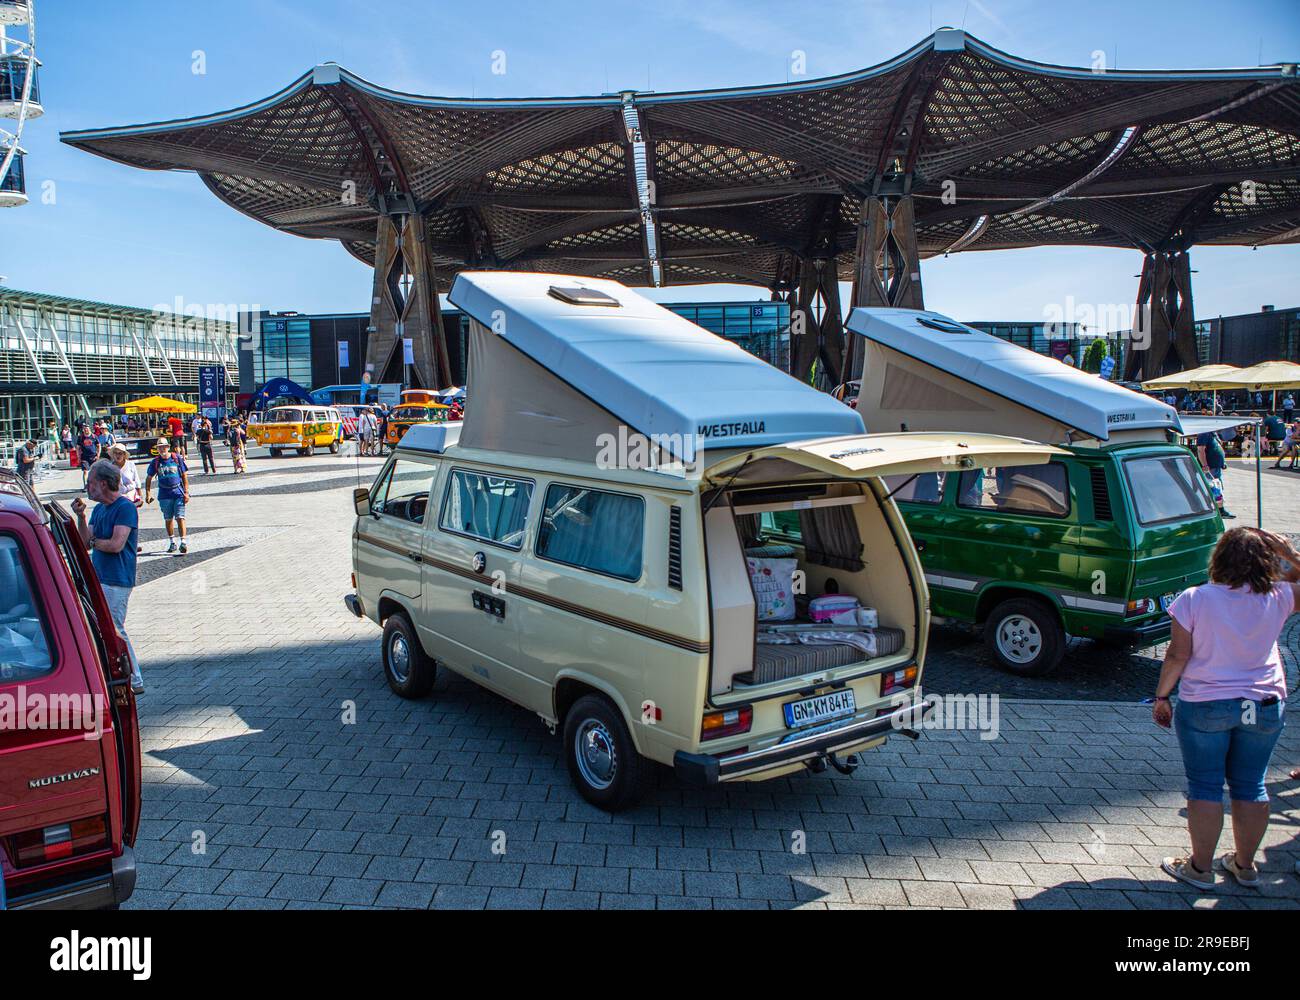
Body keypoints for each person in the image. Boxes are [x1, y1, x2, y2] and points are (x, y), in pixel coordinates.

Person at [1153, 528, 1297, 890]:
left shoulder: (1194, 599)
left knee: (1205, 785)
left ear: (1219, 558)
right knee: (1251, 784)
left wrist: (1162, 696)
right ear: (1266, 562)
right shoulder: (1279, 595)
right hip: (1264, 703)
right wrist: (1291, 555)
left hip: (1207, 702)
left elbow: (1177, 656)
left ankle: (1200, 869)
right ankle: (1245, 865)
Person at [72, 459, 144, 694]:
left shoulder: (125, 508)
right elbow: (84, 542)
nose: (87, 487)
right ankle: (116, 672)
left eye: (90, 483)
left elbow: (115, 545)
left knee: (115, 628)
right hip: (100, 577)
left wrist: (94, 542)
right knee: (106, 627)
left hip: (118, 578)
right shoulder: (99, 509)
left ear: (103, 484)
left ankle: (135, 678)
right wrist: (81, 518)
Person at [144, 437, 190, 555]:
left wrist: (186, 492)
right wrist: (148, 493)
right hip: (164, 494)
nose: (162, 449)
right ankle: (172, 541)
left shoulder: (176, 458)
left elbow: (184, 475)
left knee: (180, 517)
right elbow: (148, 478)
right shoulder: (156, 462)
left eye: (164, 446)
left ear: (168, 447)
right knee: (168, 518)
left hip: (178, 492)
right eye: (159, 447)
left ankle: (183, 542)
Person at [1196, 429, 1234, 519]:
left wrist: (1222, 462)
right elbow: (1200, 450)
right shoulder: (1204, 433)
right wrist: (1204, 465)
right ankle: (1219, 510)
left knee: (1217, 489)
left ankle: (1219, 509)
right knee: (1214, 489)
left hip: (1216, 467)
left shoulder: (1213, 433)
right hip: (1210, 467)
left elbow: (1217, 447)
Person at [76, 424, 100, 489]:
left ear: (90, 429)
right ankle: (86, 486)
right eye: (84, 429)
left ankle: (95, 486)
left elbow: (98, 445)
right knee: (85, 471)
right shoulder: (80, 437)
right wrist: (78, 457)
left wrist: (98, 455)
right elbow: (78, 448)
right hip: (84, 457)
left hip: (93, 457)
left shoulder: (94, 436)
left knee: (94, 472)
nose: (86, 430)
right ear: (83, 430)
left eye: (87, 429)